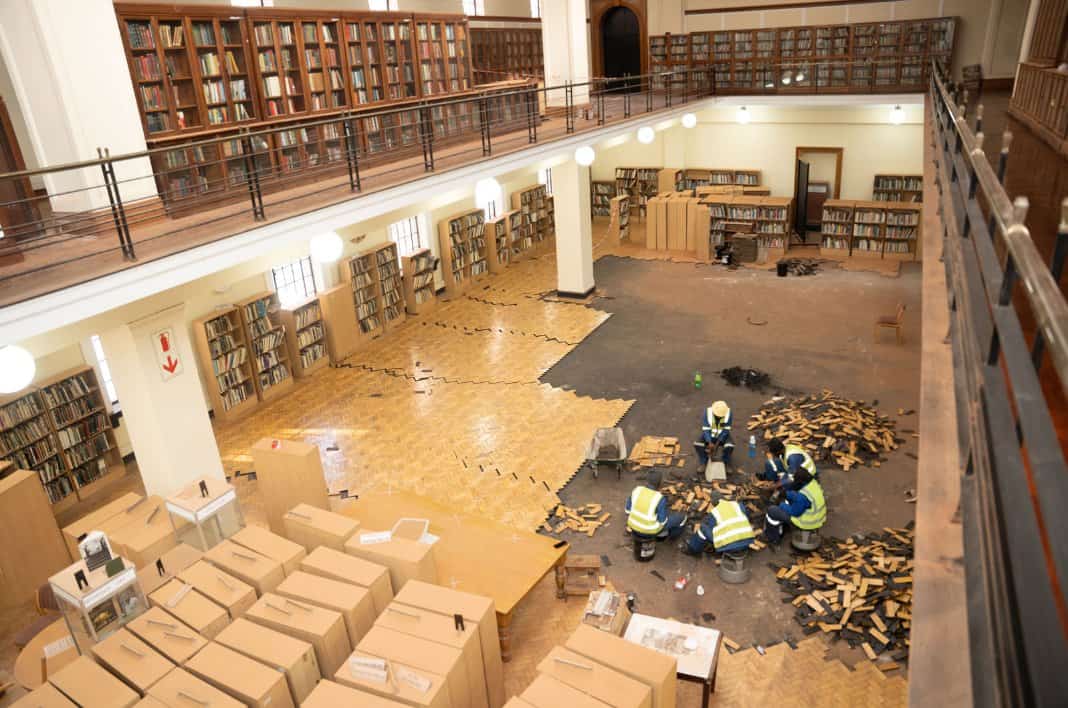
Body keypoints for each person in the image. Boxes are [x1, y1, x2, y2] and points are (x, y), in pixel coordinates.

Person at [763, 469, 827, 546]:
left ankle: (773, 538)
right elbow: (798, 496)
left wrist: (781, 504)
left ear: (801, 482)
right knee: (788, 502)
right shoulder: (813, 484)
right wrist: (786, 494)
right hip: (818, 518)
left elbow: (794, 512)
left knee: (772, 511)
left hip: (806, 523)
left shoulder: (802, 497)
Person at [625, 469, 687, 541]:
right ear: (660, 484)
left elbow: (627, 511)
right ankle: (671, 538)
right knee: (682, 517)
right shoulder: (659, 497)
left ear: (646, 481)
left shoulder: (637, 490)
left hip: (632, 526)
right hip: (650, 531)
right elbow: (662, 521)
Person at [685, 495, 756, 555]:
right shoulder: (737, 505)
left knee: (703, 528)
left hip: (729, 547)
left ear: (713, 504)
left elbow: (712, 529)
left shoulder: (715, 512)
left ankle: (693, 550)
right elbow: (746, 516)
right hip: (747, 542)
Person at [694, 400, 734, 469]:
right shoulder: (707, 412)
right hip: (709, 435)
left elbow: (726, 429)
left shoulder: (729, 413)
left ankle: (726, 462)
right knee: (698, 444)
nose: (719, 417)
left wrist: (717, 444)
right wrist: (709, 442)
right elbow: (706, 429)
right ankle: (703, 462)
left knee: (729, 446)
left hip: (722, 435)